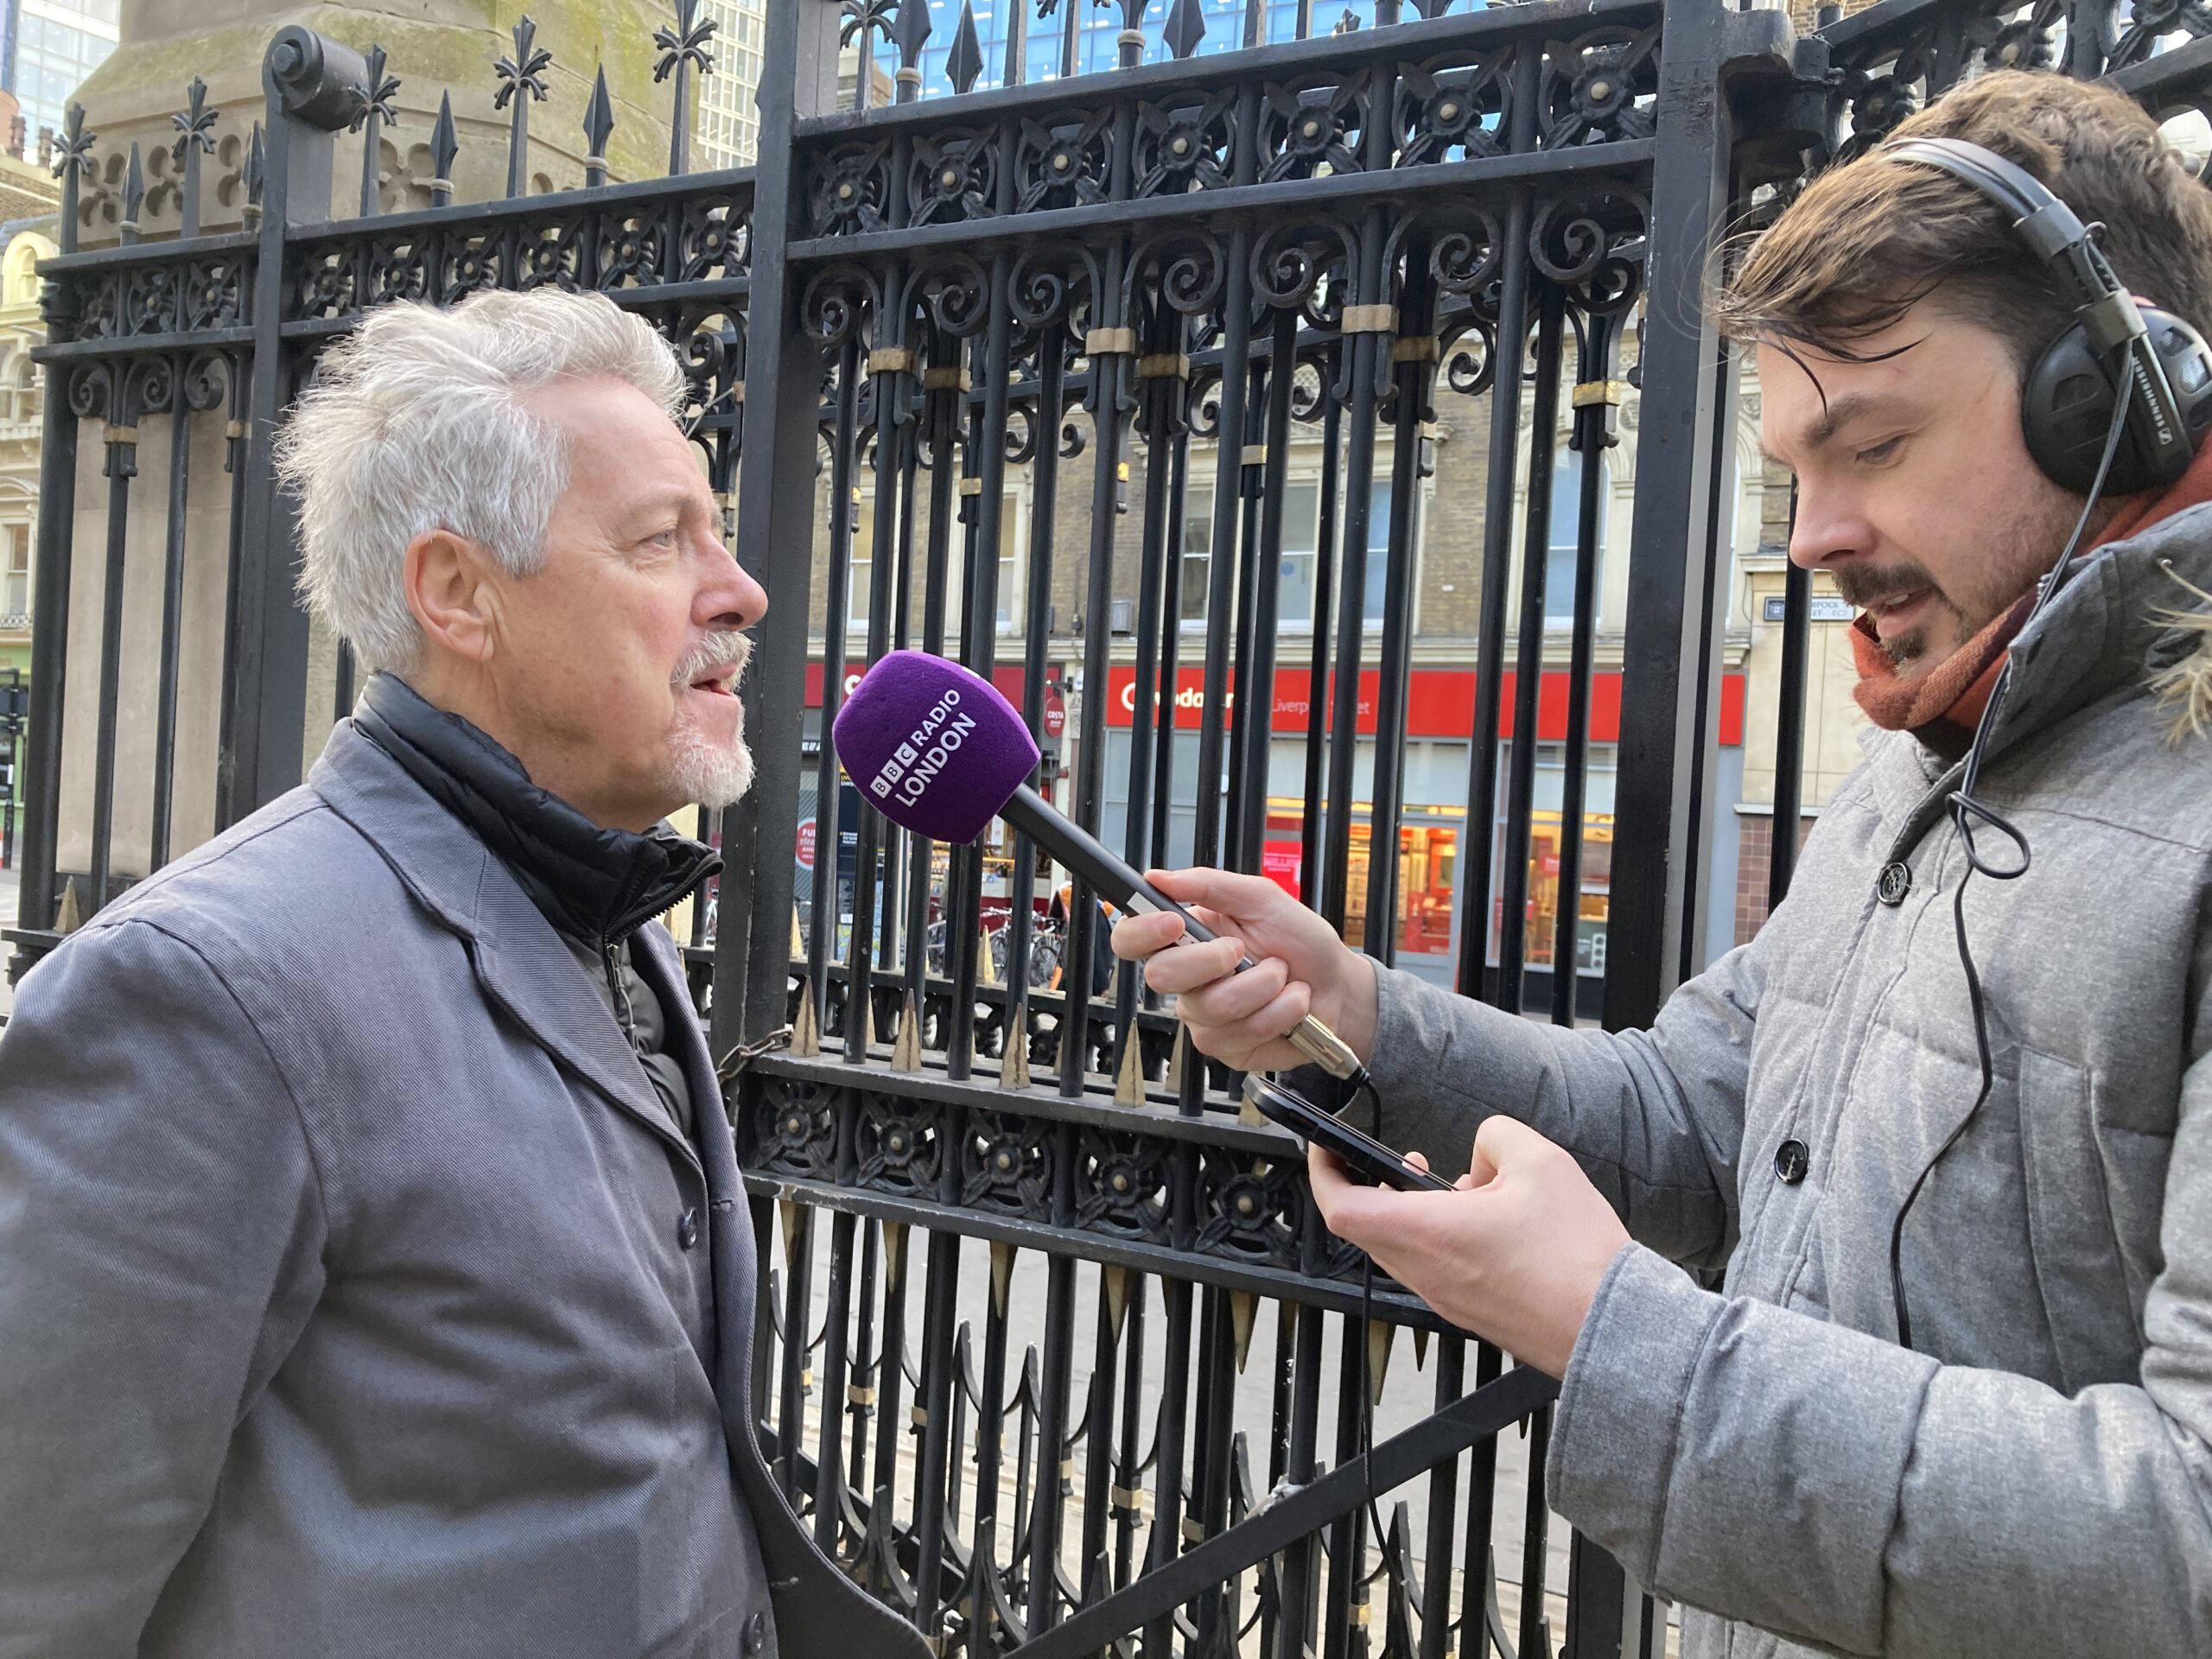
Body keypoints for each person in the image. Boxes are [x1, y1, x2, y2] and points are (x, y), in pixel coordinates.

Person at [1115, 71, 2212, 1659]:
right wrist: (1354, 1013)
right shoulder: (1909, 774)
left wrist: (1620, 1339)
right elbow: (1696, 1119)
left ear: (2124, 396)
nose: (1814, 536)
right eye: (1792, 475)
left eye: (1876, 445)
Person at [0, 289, 927, 1659]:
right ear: (459, 594)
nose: (740, 591)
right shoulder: (206, 989)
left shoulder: (599, 903)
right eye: (661, 539)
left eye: (714, 533)